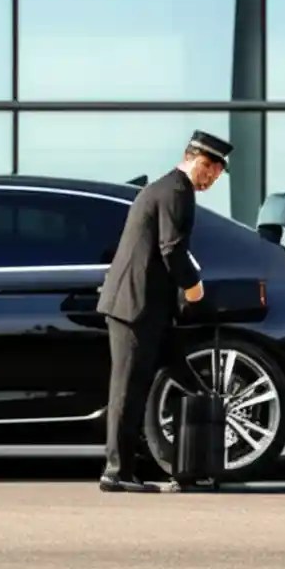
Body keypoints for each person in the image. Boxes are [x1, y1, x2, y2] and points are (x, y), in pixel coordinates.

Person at [95, 130, 231, 493]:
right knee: (127, 390)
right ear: (196, 160)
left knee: (182, 376)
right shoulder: (176, 191)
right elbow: (172, 248)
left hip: (148, 307)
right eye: (211, 169)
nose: (212, 178)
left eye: (217, 173)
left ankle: (194, 463)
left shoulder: (167, 188)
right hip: (136, 307)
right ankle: (117, 472)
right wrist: (194, 286)